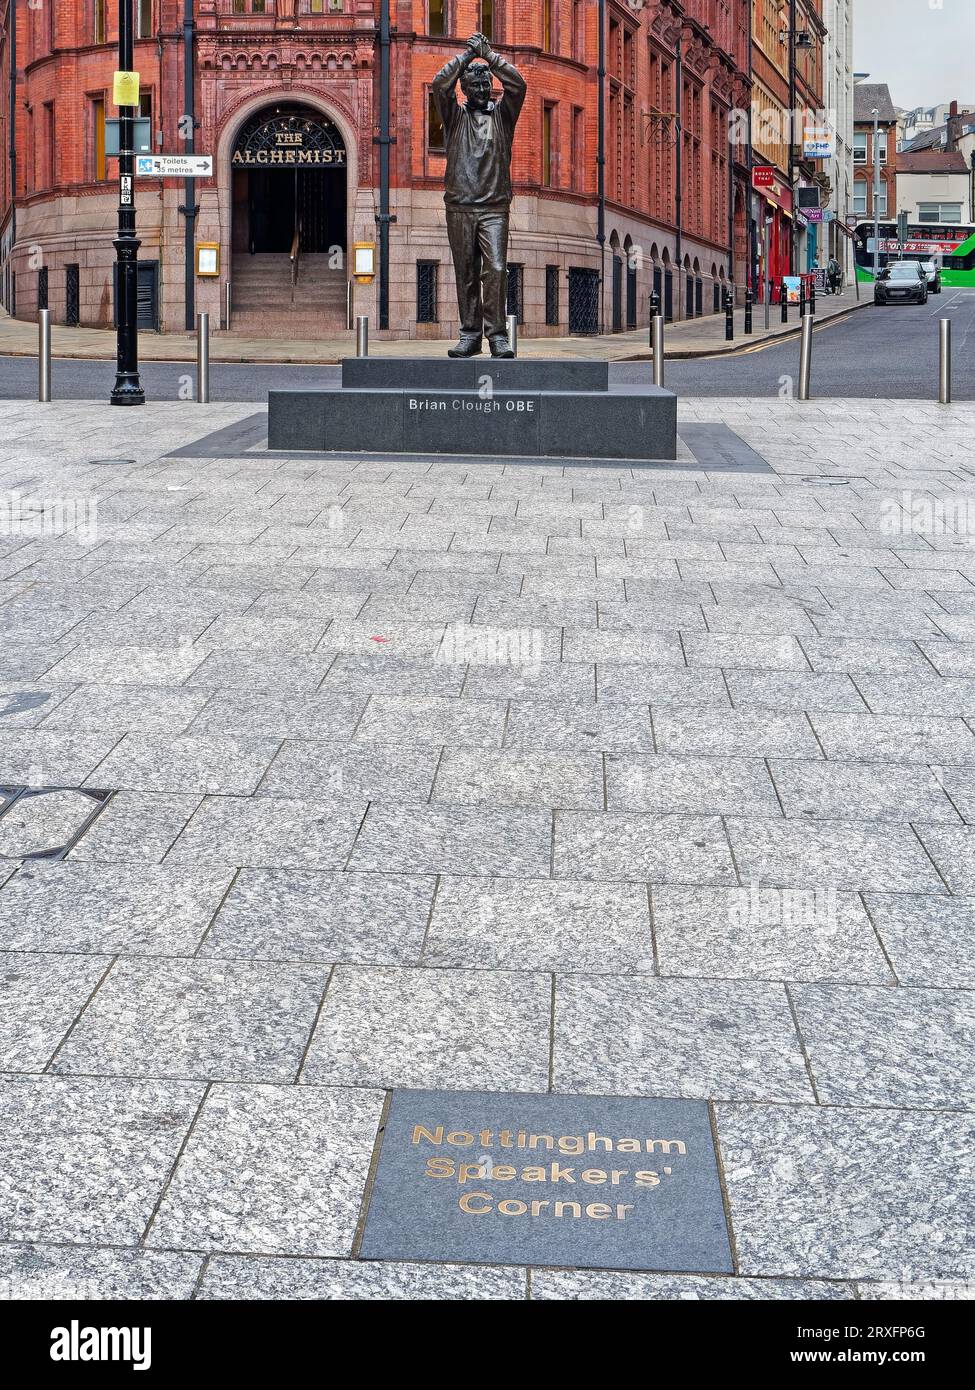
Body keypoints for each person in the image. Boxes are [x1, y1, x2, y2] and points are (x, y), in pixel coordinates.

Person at [433, 32, 527, 358]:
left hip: (494, 206)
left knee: (497, 268)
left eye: (486, 85)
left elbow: (518, 85)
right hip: (459, 205)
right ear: (465, 90)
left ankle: (497, 336)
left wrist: (489, 56)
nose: (482, 90)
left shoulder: (503, 116)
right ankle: (470, 336)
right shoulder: (454, 116)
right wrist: (465, 57)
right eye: (475, 87)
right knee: (467, 272)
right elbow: (438, 84)